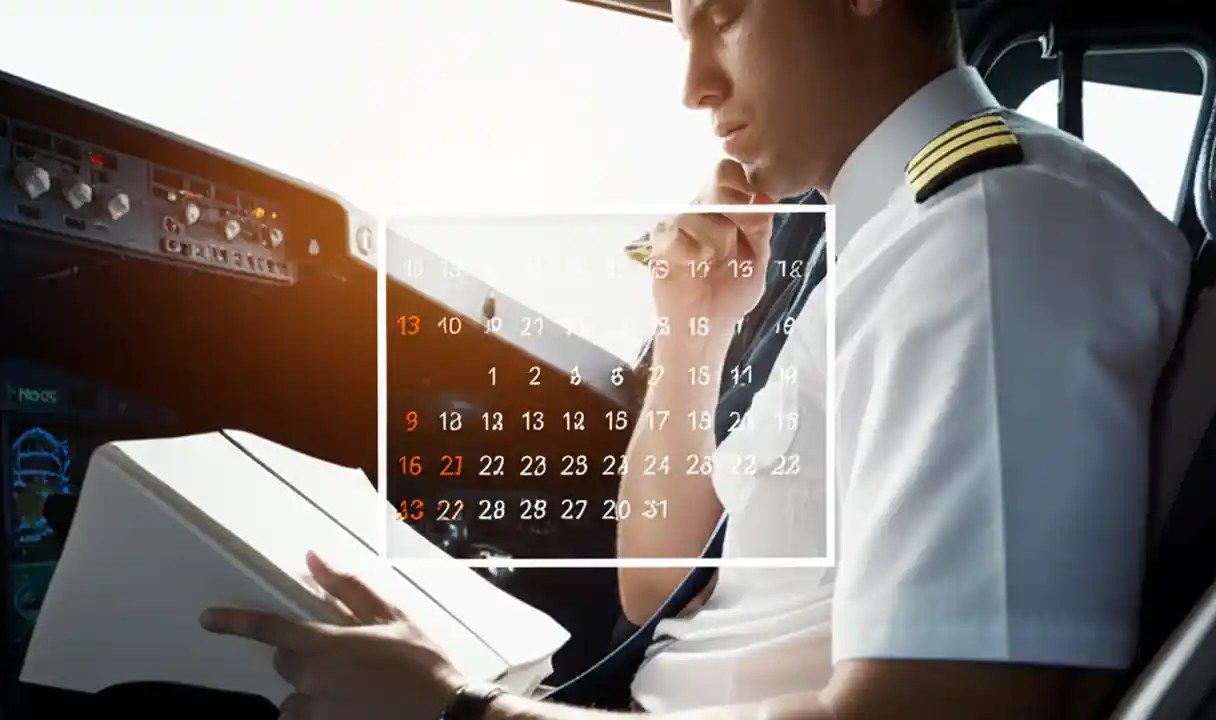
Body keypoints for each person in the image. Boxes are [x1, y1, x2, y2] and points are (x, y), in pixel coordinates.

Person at [199, 0, 1193, 717]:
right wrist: (694, 326)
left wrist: (459, 714)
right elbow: (657, 587)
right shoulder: (885, 241)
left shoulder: (986, 235)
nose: (691, 86)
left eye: (722, 13)